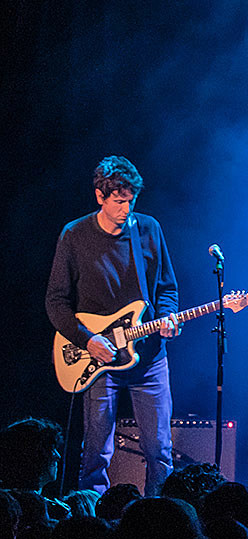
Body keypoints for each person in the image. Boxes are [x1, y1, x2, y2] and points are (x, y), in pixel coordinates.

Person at [45, 156, 181, 494]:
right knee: (96, 453)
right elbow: (56, 302)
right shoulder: (74, 235)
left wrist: (167, 316)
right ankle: (92, 517)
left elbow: (167, 288)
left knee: (160, 450)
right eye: (118, 201)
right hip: (99, 358)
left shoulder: (148, 228)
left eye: (130, 201)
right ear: (99, 196)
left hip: (148, 357)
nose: (126, 209)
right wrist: (88, 340)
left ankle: (159, 516)